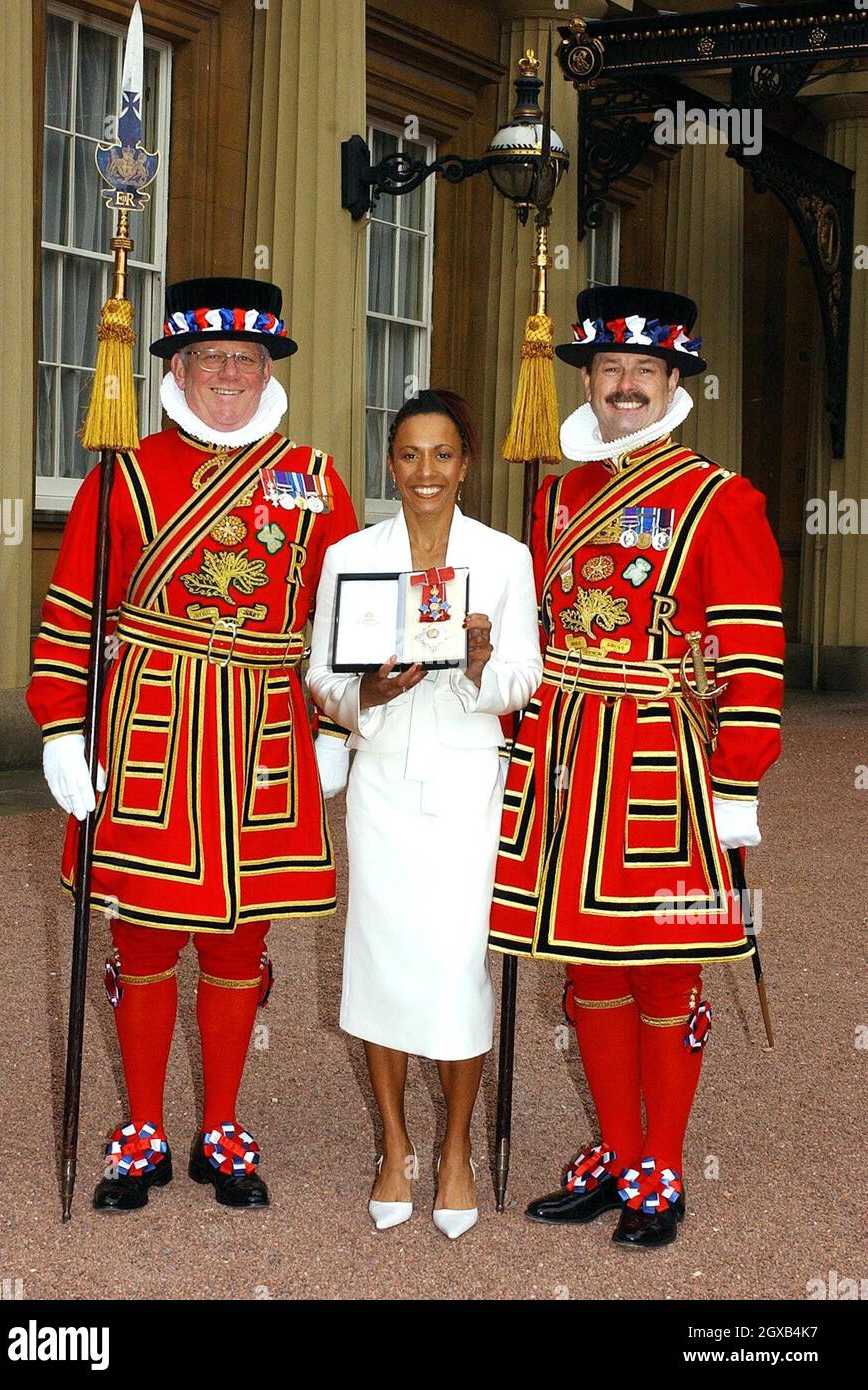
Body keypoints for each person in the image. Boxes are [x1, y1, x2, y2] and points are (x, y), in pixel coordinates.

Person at [27, 276, 356, 1211]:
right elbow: (76, 612)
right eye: (208, 357)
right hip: (148, 736)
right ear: (175, 367)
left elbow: (341, 623)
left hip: (264, 736)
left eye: (245, 360)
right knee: (144, 934)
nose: (227, 375)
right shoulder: (121, 475)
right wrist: (62, 724)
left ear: (268, 372)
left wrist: (335, 722)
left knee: (238, 943)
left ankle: (221, 1123)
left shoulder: (316, 478)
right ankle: (140, 1126)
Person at [489, 286, 784, 1248]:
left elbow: (749, 648)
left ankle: (664, 1166)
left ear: (672, 384)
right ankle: (618, 1150)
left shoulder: (720, 497)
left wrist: (739, 779)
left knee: (667, 968)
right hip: (567, 753)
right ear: (588, 378)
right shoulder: (557, 494)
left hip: (667, 760)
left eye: (644, 372)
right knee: (588, 970)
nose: (625, 386)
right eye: (610, 369)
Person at [307, 390, 541, 1238]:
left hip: (466, 782)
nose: (425, 472)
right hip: (382, 783)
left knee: (451, 968)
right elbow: (320, 675)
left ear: (466, 463)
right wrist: (363, 690)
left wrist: (480, 665)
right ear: (391, 463)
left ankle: (454, 1150)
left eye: (442, 455)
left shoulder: (505, 557)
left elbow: (526, 678)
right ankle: (394, 1143)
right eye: (409, 455)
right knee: (381, 963)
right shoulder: (349, 555)